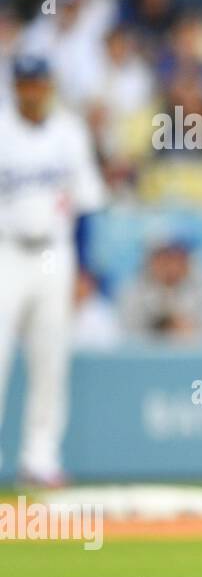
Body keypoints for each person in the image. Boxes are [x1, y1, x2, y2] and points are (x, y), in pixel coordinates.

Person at [0, 55, 106, 489]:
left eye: (39, 82)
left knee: (50, 359)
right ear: (15, 86)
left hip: (54, 253)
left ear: (49, 84)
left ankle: (40, 458)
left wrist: (83, 266)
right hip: (6, 250)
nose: (33, 90)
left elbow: (86, 204)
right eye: (26, 83)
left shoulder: (69, 130)